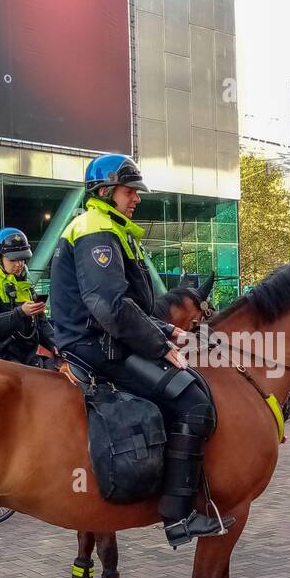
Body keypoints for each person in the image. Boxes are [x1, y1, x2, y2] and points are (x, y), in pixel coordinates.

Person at [51, 154, 225, 547]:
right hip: (97, 346)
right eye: (130, 191)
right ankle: (178, 516)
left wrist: (168, 329)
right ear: (106, 192)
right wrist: (160, 345)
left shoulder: (112, 227)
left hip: (107, 338)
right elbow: (108, 307)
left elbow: (131, 306)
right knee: (193, 403)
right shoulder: (96, 229)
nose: (136, 199)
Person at [0, 228, 55, 367]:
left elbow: (40, 323)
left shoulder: (26, 285)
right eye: (13, 260)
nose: (19, 264)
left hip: (29, 359)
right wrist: (20, 312)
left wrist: (56, 345)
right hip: (0, 359)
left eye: (23, 259)